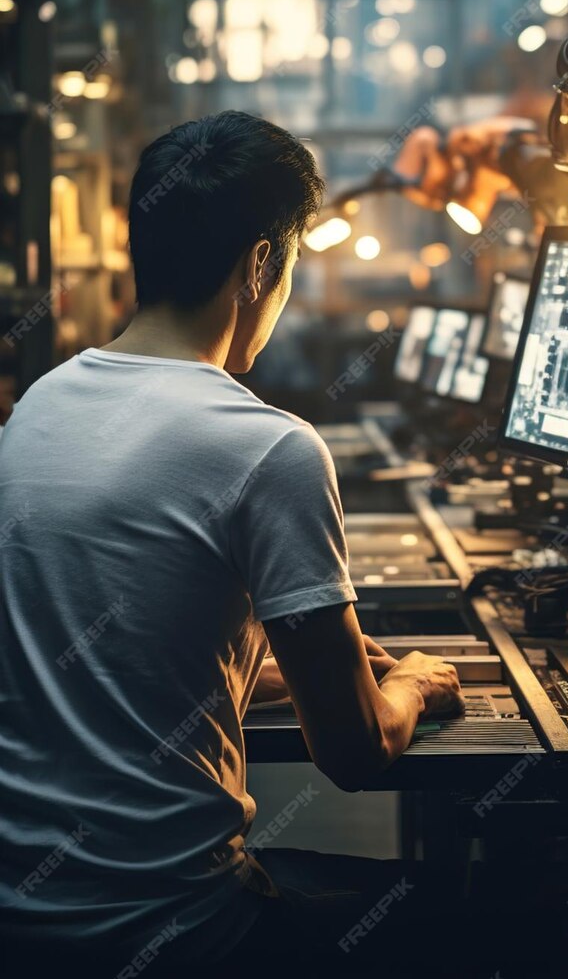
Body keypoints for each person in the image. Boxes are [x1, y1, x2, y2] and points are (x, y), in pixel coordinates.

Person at [0, 111, 465, 975]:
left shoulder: (39, 408)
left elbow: (115, 664)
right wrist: (405, 684)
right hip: (176, 928)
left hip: (23, 922)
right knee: (463, 917)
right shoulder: (271, 448)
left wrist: (282, 671)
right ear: (260, 264)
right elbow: (356, 755)